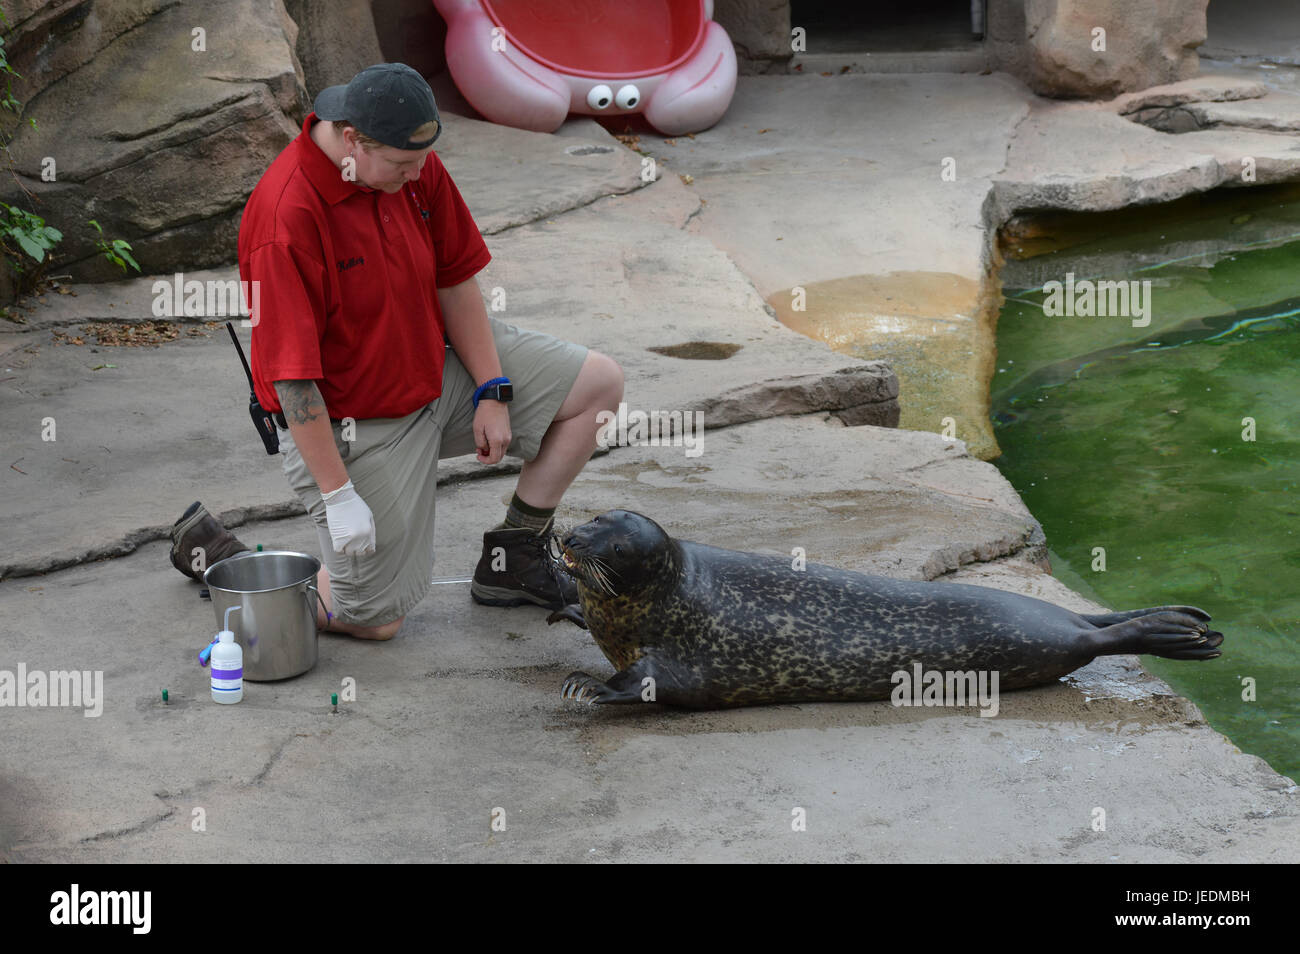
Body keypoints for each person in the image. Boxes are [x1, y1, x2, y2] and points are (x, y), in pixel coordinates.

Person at [169, 63, 623, 641]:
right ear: (353, 140)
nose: (417, 176)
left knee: (598, 387)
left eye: (420, 162)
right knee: (376, 620)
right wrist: (337, 496)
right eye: (404, 166)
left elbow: (454, 280)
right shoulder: (287, 218)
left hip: (436, 373)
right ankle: (226, 559)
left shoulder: (408, 163)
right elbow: (294, 384)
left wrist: (491, 389)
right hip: (355, 424)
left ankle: (515, 559)